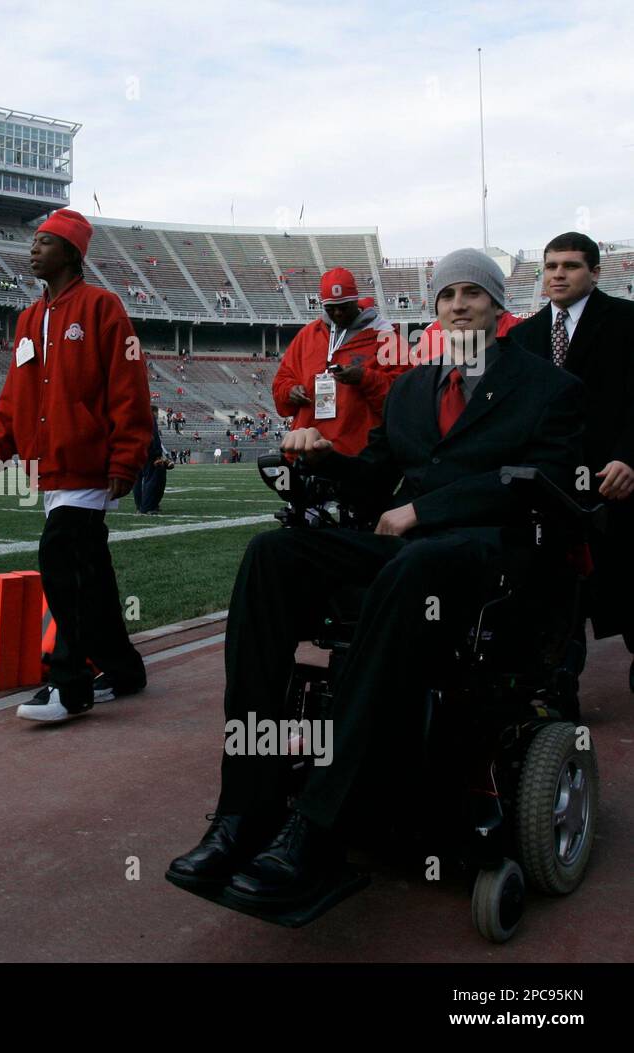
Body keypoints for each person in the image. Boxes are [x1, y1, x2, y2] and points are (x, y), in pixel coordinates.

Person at [166, 249, 584, 908]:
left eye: (474, 292)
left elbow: (535, 485)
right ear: (436, 309)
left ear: (498, 305)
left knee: (411, 564)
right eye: (448, 295)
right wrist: (327, 456)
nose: (458, 304)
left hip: (486, 561)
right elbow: (378, 472)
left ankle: (317, 828)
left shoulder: (548, 389)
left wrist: (425, 509)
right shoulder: (416, 389)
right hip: (405, 552)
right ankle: (243, 807)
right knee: (272, 555)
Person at [0, 209, 152, 721]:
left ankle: (69, 686)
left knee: (59, 559)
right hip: (46, 469)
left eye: (45, 241)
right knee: (88, 573)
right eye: (34, 241)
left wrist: (126, 456)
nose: (33, 249)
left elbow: (128, 387)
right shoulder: (30, 318)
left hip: (87, 465)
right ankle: (122, 669)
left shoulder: (103, 307)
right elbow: (14, 396)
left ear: (72, 253)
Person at [508, 231, 634, 690]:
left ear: (595, 273)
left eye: (571, 265)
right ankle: (562, 686)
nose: (558, 274)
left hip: (615, 478)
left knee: (624, 578)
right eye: (551, 266)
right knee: (559, 589)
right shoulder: (523, 336)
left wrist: (629, 458)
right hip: (552, 483)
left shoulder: (626, 320)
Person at [271, 268, 406, 456]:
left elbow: (403, 401)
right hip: (307, 452)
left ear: (355, 300)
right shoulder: (308, 335)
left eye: (344, 307)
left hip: (357, 456)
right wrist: (290, 391)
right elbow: (281, 381)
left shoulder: (387, 337)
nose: (337, 313)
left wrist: (364, 378)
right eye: (330, 308)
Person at [134, 418, 171, 515]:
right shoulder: (147, 416)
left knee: (138, 482)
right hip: (148, 453)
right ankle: (147, 507)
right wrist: (156, 454)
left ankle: (140, 506)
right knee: (151, 481)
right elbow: (152, 436)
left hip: (137, 452)